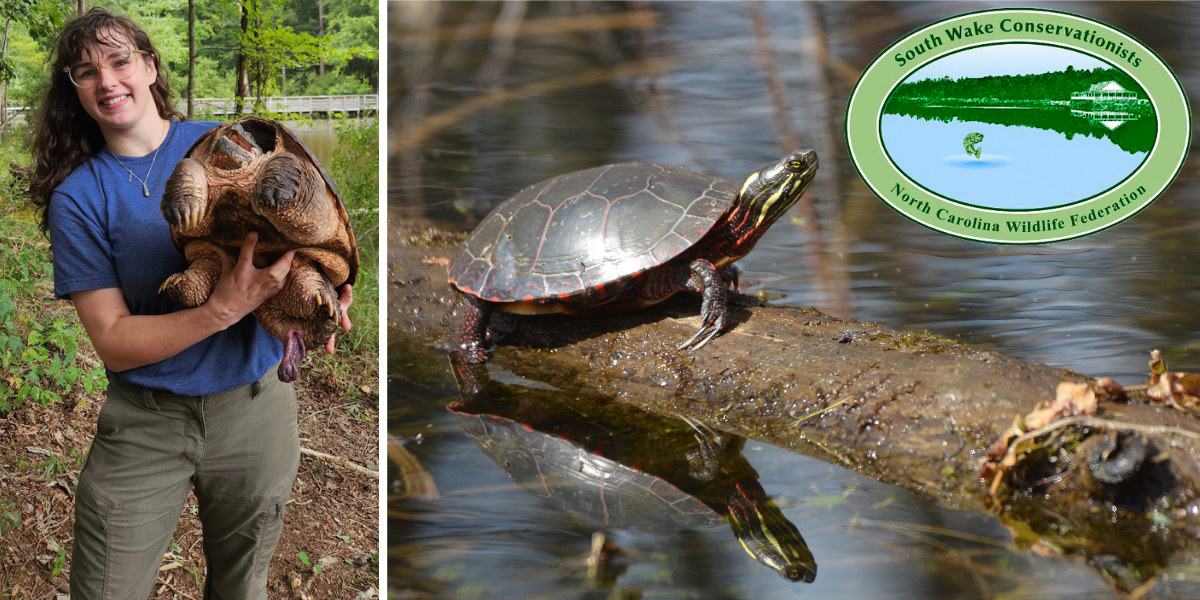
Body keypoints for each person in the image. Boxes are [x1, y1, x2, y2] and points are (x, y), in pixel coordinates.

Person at [27, 9, 351, 598]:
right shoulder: (79, 196)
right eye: (85, 71)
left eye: (120, 60)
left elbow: (304, 213)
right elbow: (114, 343)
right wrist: (221, 308)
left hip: (253, 407)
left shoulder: (224, 141)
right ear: (74, 90)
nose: (107, 80)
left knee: (242, 582)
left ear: (150, 67)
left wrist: (328, 288)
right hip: (146, 422)